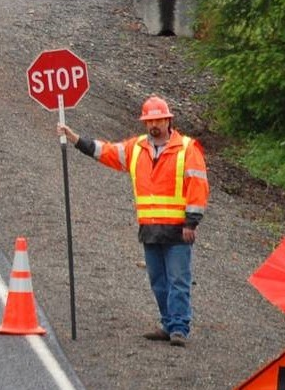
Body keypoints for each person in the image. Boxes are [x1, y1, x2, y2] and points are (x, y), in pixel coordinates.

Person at [57, 95, 208, 347]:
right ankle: (168, 324)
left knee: (178, 280)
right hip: (149, 228)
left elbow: (198, 185)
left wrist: (191, 222)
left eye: (158, 119)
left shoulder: (187, 149)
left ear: (168, 120)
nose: (153, 125)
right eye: (149, 121)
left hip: (178, 230)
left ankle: (179, 328)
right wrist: (75, 139)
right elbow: (105, 152)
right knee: (158, 280)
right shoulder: (136, 148)